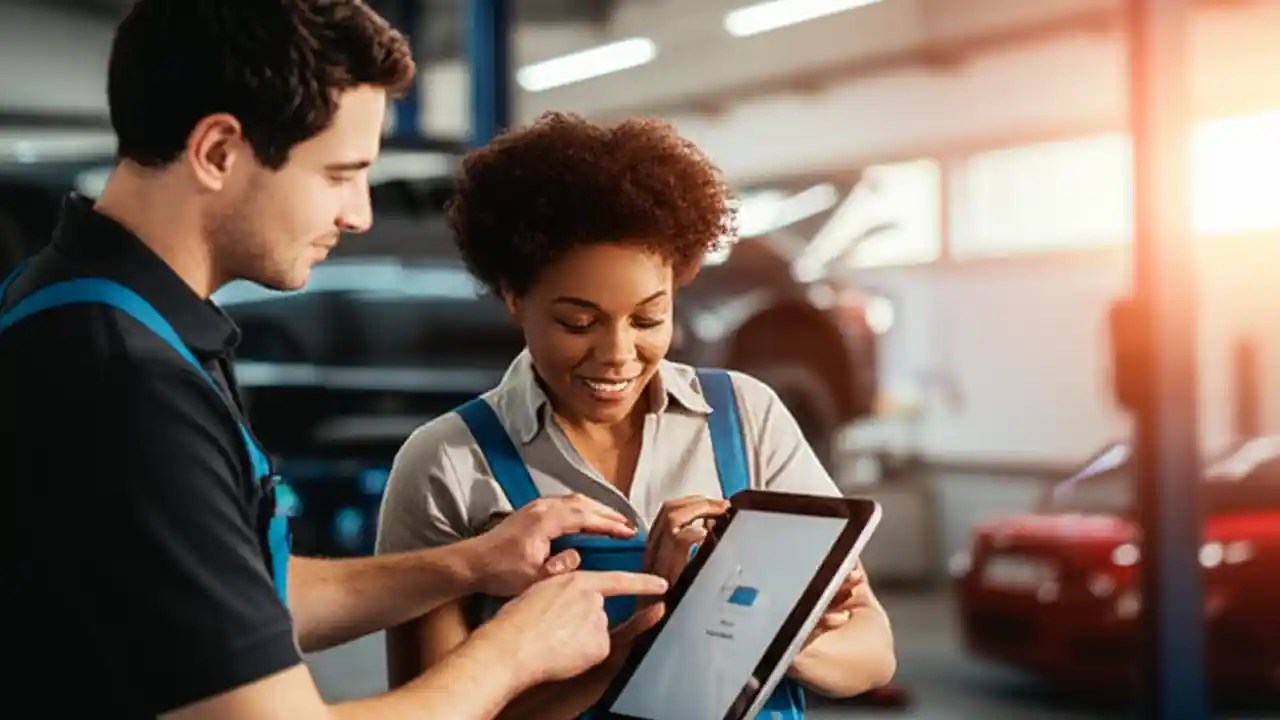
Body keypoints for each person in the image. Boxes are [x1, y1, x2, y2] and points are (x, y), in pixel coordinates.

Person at [0, 2, 668, 718]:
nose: (360, 214)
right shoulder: (126, 384)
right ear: (219, 151)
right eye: (340, 174)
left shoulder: (78, 304)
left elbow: (232, 598)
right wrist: (514, 652)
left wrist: (466, 566)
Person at [377, 111, 898, 719]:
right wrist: (656, 631)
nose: (619, 355)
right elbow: (432, 709)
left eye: (649, 318)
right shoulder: (448, 463)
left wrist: (746, 629)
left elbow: (873, 652)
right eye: (578, 322)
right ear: (514, 296)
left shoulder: (747, 417)